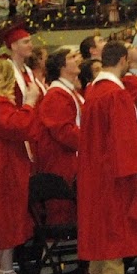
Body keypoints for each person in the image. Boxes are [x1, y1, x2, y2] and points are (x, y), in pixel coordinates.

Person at [77, 41, 137, 274]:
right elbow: (126, 138)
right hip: (114, 171)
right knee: (114, 224)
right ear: (122, 61)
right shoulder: (115, 94)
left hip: (93, 169)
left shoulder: (93, 91)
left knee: (99, 223)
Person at [35, 48, 84, 223]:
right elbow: (64, 132)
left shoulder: (69, 92)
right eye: (71, 57)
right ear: (62, 67)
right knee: (62, 213)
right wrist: (93, 142)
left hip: (72, 160)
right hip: (62, 163)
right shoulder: (56, 95)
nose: (77, 59)